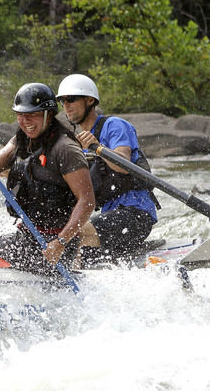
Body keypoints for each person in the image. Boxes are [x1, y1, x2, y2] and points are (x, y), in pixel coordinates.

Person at [0, 83, 95, 273]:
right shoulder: (21, 140)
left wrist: (61, 242)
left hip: (54, 246)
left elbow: (87, 201)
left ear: (49, 114)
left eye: (33, 115)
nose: (25, 122)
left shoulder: (65, 149)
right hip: (28, 238)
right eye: (21, 115)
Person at [56, 74, 158, 265]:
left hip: (136, 214)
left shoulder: (114, 125)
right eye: (63, 101)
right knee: (62, 230)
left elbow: (123, 164)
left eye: (71, 99)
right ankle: (82, 266)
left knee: (77, 231)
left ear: (90, 100)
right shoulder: (77, 144)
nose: (66, 105)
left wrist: (98, 147)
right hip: (108, 217)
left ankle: (80, 272)